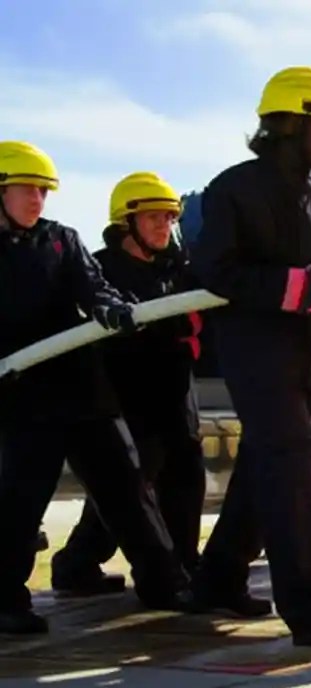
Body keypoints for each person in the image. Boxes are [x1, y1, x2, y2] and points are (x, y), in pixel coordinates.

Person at [188, 67, 311, 645]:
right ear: (291, 123)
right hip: (256, 350)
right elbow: (215, 271)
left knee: (263, 466)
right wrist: (289, 287)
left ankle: (217, 578)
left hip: (307, 354)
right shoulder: (233, 189)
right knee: (291, 463)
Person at [0, 141, 199, 634]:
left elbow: (93, 285)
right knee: (21, 500)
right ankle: (4, 599)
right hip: (23, 398)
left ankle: (164, 582)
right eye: (27, 188)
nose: (37, 199)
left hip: (82, 390)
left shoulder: (62, 241)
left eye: (44, 190)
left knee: (129, 489)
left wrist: (111, 305)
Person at [48, 172, 209, 598]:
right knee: (130, 489)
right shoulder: (100, 269)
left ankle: (182, 566)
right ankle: (77, 565)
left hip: (176, 391)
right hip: (127, 394)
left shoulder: (178, 270)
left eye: (170, 217)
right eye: (154, 217)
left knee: (186, 475)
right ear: (126, 222)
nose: (164, 226)